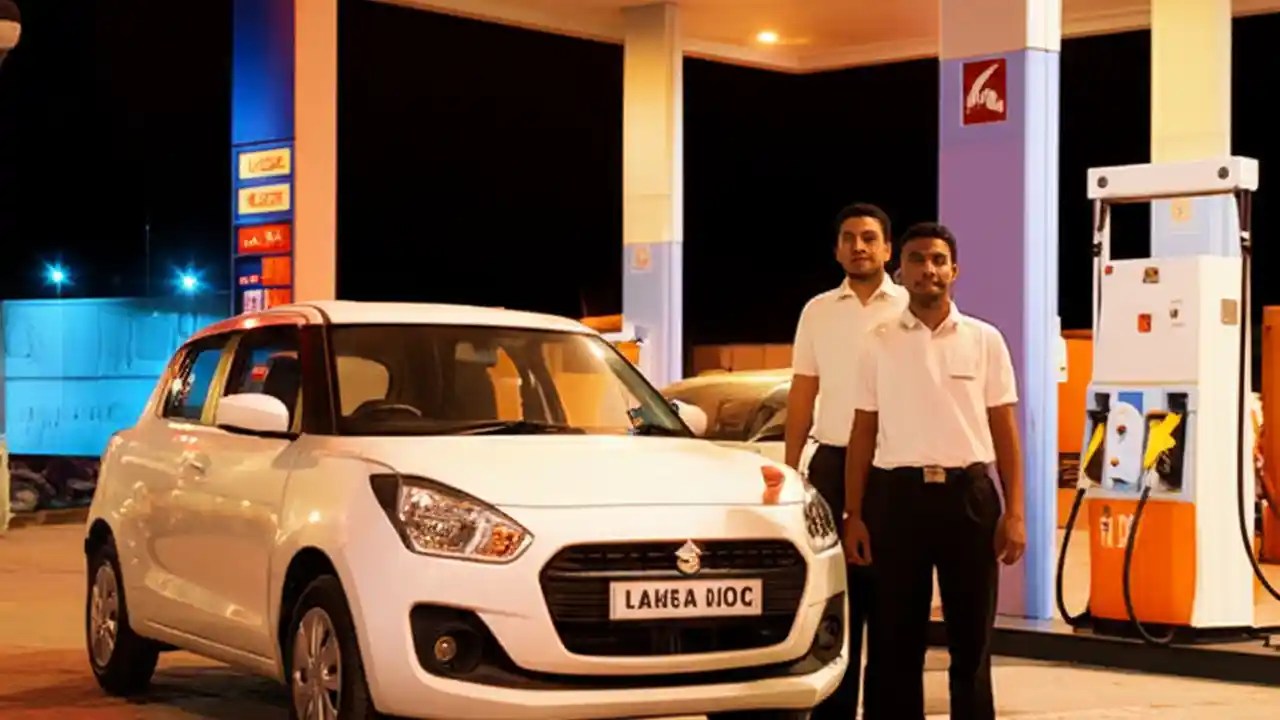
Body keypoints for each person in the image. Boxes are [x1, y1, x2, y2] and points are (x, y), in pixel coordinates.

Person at [840, 221, 1026, 720]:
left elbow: (1005, 431)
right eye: (918, 259)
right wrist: (854, 514)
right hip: (896, 500)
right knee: (894, 642)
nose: (929, 269)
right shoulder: (877, 341)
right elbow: (862, 432)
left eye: (938, 260)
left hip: (970, 499)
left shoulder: (985, 340)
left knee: (972, 640)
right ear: (901, 271)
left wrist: (1015, 513)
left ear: (954, 270)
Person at [784, 201, 907, 719]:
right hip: (832, 467)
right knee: (838, 598)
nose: (859, 247)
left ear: (887, 249)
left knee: (891, 601)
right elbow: (802, 392)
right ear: (837, 250)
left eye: (869, 238)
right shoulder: (817, 311)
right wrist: (791, 469)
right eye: (849, 238)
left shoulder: (909, 307)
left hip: (893, 468)